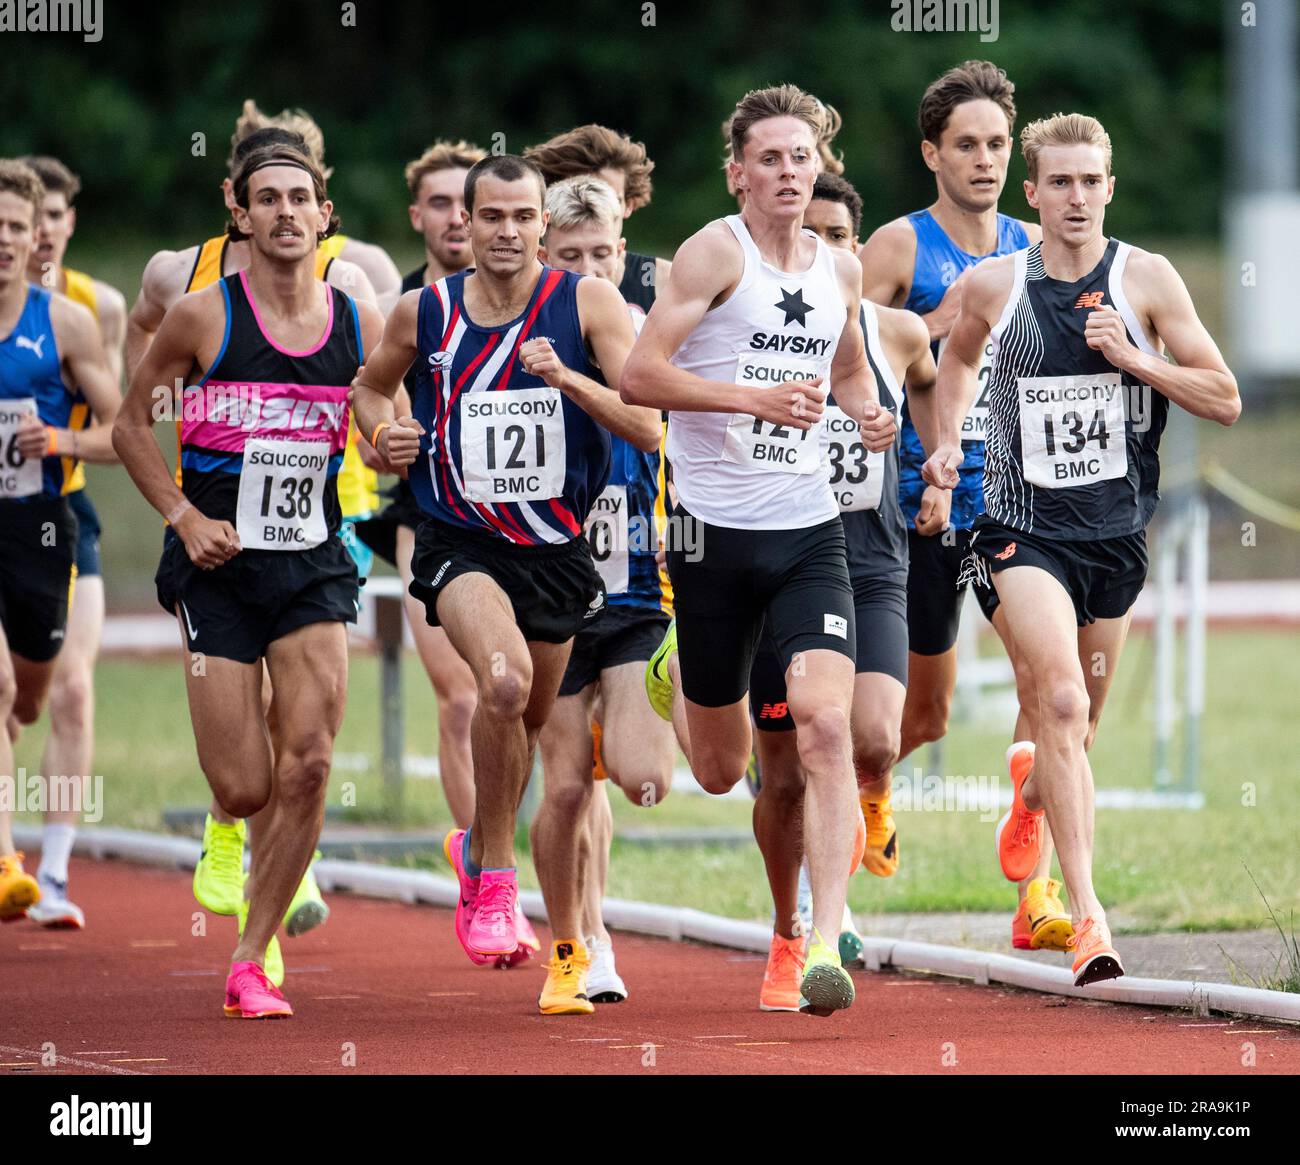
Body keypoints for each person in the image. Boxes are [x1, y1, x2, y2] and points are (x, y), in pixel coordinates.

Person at [922, 112, 1239, 986]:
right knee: (1058, 702)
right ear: (1032, 193)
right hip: (1018, 531)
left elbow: (1223, 396)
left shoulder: (1147, 279)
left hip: (1114, 537)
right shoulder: (996, 285)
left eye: (1089, 180)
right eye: (1057, 182)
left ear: (1110, 186)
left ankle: (1029, 800)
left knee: (1078, 725)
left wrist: (1137, 360)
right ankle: (1089, 914)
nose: (1075, 196)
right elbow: (954, 364)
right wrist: (946, 444)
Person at [621, 85, 897, 1016]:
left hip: (808, 530)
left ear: (821, 164)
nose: (788, 172)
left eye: (802, 157)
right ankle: (678, 666)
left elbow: (849, 366)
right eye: (770, 159)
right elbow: (640, 372)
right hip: (708, 536)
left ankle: (822, 937)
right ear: (738, 172)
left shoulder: (840, 271)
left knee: (824, 728)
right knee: (716, 767)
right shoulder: (713, 253)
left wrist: (869, 413)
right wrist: (751, 397)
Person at [351, 154, 645, 1016]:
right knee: (504, 683)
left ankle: (478, 852)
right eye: (492, 217)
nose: (507, 233)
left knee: (522, 718)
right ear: (464, 226)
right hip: (457, 540)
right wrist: (384, 438)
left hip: (557, 552)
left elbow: (648, 424)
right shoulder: (426, 310)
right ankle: (496, 878)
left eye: (523, 218)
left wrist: (569, 379)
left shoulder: (586, 304)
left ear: (541, 229)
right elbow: (368, 390)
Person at [113, 144, 384, 1017]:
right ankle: (234, 850)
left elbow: (383, 409)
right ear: (242, 215)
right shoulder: (201, 317)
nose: (285, 214)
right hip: (215, 567)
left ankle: (250, 953)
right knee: (244, 787)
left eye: (300, 198)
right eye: (266, 199)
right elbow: (128, 427)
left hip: (309, 561)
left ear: (323, 213)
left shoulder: (355, 318)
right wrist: (184, 519)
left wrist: (390, 438)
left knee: (308, 764)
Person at [858, 62, 1065, 949]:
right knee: (926, 714)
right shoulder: (900, 248)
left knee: (1048, 688)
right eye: (966, 145)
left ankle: (1040, 891)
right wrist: (944, 324)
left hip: (1015, 501)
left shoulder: (1038, 238)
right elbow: (847, 354)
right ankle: (859, 780)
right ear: (931, 153)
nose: (983, 160)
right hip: (918, 500)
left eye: (995, 144)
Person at [747, 173, 933, 1009]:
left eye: (839, 234)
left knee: (872, 739)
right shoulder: (755, 324)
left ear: (858, 248)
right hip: (776, 562)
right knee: (779, 776)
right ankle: (790, 928)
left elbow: (937, 376)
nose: (821, 246)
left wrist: (941, 457)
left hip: (869, 560)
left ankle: (832, 917)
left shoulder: (892, 332)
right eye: (808, 231)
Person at [532, 177, 672, 1006]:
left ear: (625, 254)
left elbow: (655, 423)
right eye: (571, 254)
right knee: (564, 783)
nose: (589, 266)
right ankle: (582, 940)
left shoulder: (653, 340)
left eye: (603, 253)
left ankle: (591, 920)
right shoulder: (520, 336)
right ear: (549, 256)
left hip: (633, 595)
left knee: (641, 774)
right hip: (546, 592)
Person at [356, 139, 489, 832]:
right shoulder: (395, 308)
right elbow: (362, 406)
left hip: (531, 517)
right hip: (428, 513)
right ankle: (483, 870)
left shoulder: (543, 298)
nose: (457, 218)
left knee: (524, 699)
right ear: (417, 215)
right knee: (461, 697)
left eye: (469, 203)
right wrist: (383, 440)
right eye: (441, 203)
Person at [0, 160, 121, 921]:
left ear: (36, 234)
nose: (6, 239)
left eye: (16, 226)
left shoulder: (71, 319)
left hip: (44, 525)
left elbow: (127, 429)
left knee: (40, 693)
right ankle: (15, 865)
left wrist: (65, 441)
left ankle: (54, 868)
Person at [524, 125, 670, 313]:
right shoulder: (518, 287)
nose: (597, 206)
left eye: (609, 197)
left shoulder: (665, 281)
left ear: (629, 204)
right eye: (576, 197)